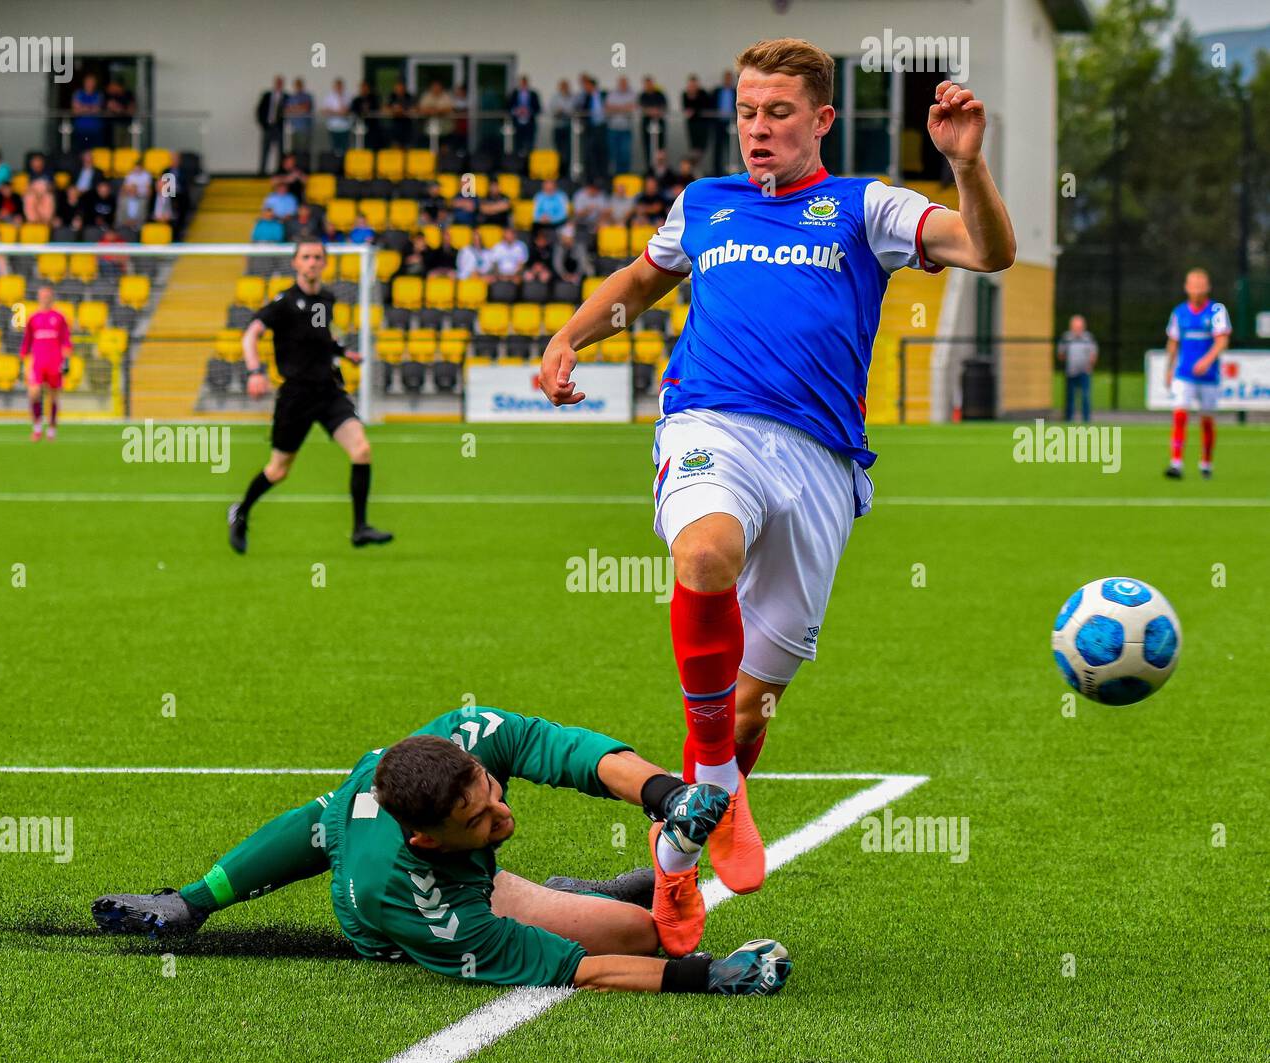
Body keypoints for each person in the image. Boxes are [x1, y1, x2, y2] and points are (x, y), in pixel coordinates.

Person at [540, 40, 1015, 934]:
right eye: (748, 113)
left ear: (821, 119)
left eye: (779, 113)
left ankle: (675, 861)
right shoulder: (703, 204)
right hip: (708, 421)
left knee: (756, 702)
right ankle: (714, 780)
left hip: (824, 463)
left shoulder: (863, 206)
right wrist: (572, 337)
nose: (759, 129)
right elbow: (642, 281)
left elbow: (989, 250)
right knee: (705, 552)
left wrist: (966, 164)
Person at [91, 704, 791, 989]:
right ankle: (576, 895)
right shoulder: (419, 899)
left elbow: (568, 750)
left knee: (616, 916)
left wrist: (665, 794)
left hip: (445, 870)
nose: (503, 814)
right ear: (428, 837)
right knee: (643, 938)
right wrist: (708, 978)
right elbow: (576, 969)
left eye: (492, 790)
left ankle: (572, 892)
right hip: (400, 922)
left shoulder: (459, 739)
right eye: (481, 819)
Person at [228, 237, 393, 553]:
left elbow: (321, 336)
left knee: (361, 450)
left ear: (325, 263)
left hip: (328, 392)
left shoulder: (325, 300)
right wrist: (254, 372)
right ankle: (241, 512)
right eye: (306, 257)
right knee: (278, 470)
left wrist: (344, 352)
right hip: (296, 397)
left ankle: (360, 528)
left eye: (318, 257)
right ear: (295, 263)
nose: (312, 262)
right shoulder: (284, 303)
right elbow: (251, 335)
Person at [1164, 268, 1230, 480]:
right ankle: (1176, 463)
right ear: (1186, 287)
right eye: (1193, 285)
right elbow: (1173, 342)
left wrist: (1207, 360)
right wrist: (1168, 369)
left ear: (1208, 287)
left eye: (1201, 285)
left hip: (1209, 376)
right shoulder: (1179, 312)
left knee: (1207, 420)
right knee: (1180, 414)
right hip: (1184, 374)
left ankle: (1206, 463)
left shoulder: (1217, 311)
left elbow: (1222, 341)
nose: (1197, 290)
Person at [20, 284, 72, 442]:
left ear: (52, 298)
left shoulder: (59, 317)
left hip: (54, 361)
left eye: (47, 296)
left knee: (53, 396)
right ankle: (36, 427)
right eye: (42, 296)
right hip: (38, 362)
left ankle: (52, 428)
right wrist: (22, 360)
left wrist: (66, 361)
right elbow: (27, 341)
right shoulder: (33, 318)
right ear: (39, 298)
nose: (45, 299)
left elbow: (66, 341)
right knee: (33, 393)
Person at [1057, 314, 1098, 423]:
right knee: (1070, 397)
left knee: (1085, 396)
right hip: (1071, 372)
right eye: (1075, 326)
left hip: (1084, 372)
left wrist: (1089, 365)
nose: (1077, 329)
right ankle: (1068, 420)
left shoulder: (1088, 338)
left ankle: (1086, 420)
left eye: (1079, 326)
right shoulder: (1066, 337)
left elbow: (1093, 354)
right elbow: (1061, 353)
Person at [606, 75, 638, 176]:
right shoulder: (612, 94)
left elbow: (633, 108)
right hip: (613, 129)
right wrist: (624, 108)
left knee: (625, 154)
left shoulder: (632, 94)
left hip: (625, 129)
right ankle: (615, 175)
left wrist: (616, 108)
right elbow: (607, 109)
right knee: (614, 154)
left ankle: (624, 175)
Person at [256, 75, 286, 174]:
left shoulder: (286, 96)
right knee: (265, 149)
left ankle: (279, 170)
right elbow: (259, 110)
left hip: (279, 127)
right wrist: (263, 124)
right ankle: (262, 171)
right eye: (277, 83)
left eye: (280, 83)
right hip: (268, 126)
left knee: (280, 150)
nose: (279, 85)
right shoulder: (267, 95)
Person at [638, 76, 668, 171]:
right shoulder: (643, 95)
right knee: (647, 146)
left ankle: (661, 168)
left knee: (660, 146)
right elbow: (642, 108)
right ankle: (649, 168)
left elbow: (664, 107)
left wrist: (656, 112)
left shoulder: (660, 94)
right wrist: (650, 111)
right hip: (646, 123)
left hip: (659, 122)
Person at [507, 75, 540, 159]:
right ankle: (517, 165)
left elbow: (538, 108)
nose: (523, 84)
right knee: (517, 145)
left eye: (525, 83)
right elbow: (508, 107)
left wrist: (528, 111)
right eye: (522, 83)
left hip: (530, 124)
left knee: (529, 145)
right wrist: (517, 111)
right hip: (517, 124)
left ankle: (529, 166)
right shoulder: (514, 93)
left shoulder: (533, 94)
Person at [682, 74, 712, 162]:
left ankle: (697, 162)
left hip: (702, 124)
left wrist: (694, 111)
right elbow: (686, 109)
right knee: (693, 146)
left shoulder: (703, 93)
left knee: (702, 147)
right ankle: (693, 163)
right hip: (692, 124)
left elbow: (704, 107)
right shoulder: (685, 94)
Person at [711, 70, 737, 175]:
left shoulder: (736, 91)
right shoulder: (717, 91)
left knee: (733, 147)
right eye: (726, 78)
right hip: (719, 123)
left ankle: (734, 171)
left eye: (729, 78)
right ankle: (717, 171)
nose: (728, 80)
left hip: (733, 123)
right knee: (718, 148)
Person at [70, 75, 105, 151]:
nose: (89, 84)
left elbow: (97, 109)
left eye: (92, 82)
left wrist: (82, 107)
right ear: (84, 83)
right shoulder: (78, 93)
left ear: (95, 84)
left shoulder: (98, 95)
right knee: (79, 151)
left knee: (95, 152)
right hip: (80, 129)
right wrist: (90, 108)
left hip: (95, 129)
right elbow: (75, 110)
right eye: (88, 82)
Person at [322, 77, 352, 158]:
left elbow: (347, 111)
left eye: (340, 86)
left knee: (345, 149)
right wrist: (337, 112)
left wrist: (334, 112)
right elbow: (324, 111)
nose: (339, 88)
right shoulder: (329, 97)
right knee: (334, 149)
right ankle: (335, 167)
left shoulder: (348, 96)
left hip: (345, 127)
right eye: (337, 86)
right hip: (333, 127)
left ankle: (343, 167)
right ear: (334, 86)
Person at [548, 79, 574, 174]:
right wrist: (559, 111)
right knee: (557, 150)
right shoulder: (555, 97)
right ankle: (558, 171)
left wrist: (563, 111)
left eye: (565, 86)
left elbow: (572, 110)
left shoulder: (572, 97)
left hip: (567, 127)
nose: (564, 88)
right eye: (562, 86)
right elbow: (552, 110)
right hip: (557, 127)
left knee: (567, 151)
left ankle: (566, 172)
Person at [286, 76, 314, 161]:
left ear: (302, 86)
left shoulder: (307, 96)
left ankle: (304, 169)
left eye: (299, 85)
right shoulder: (291, 97)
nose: (298, 87)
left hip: (305, 128)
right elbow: (287, 110)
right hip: (293, 128)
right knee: (294, 151)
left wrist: (294, 109)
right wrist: (299, 108)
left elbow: (306, 108)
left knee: (304, 150)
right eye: (296, 85)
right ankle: (295, 170)